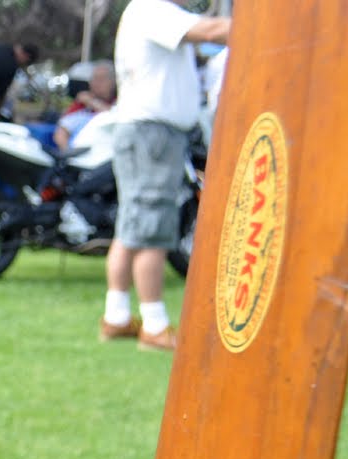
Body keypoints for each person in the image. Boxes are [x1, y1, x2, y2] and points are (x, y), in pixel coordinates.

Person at [98, 0, 229, 351]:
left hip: (144, 132)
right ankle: (154, 325)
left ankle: (118, 316)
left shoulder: (145, 10)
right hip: (154, 133)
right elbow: (212, 31)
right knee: (153, 229)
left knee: (132, 226)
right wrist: (267, 26)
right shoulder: (153, 9)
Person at [54, 61, 115, 150]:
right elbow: (62, 130)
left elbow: (113, 116)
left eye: (102, 79)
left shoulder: (120, 102)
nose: (96, 83)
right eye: (94, 79)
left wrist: (92, 102)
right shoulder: (82, 103)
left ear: (113, 82)